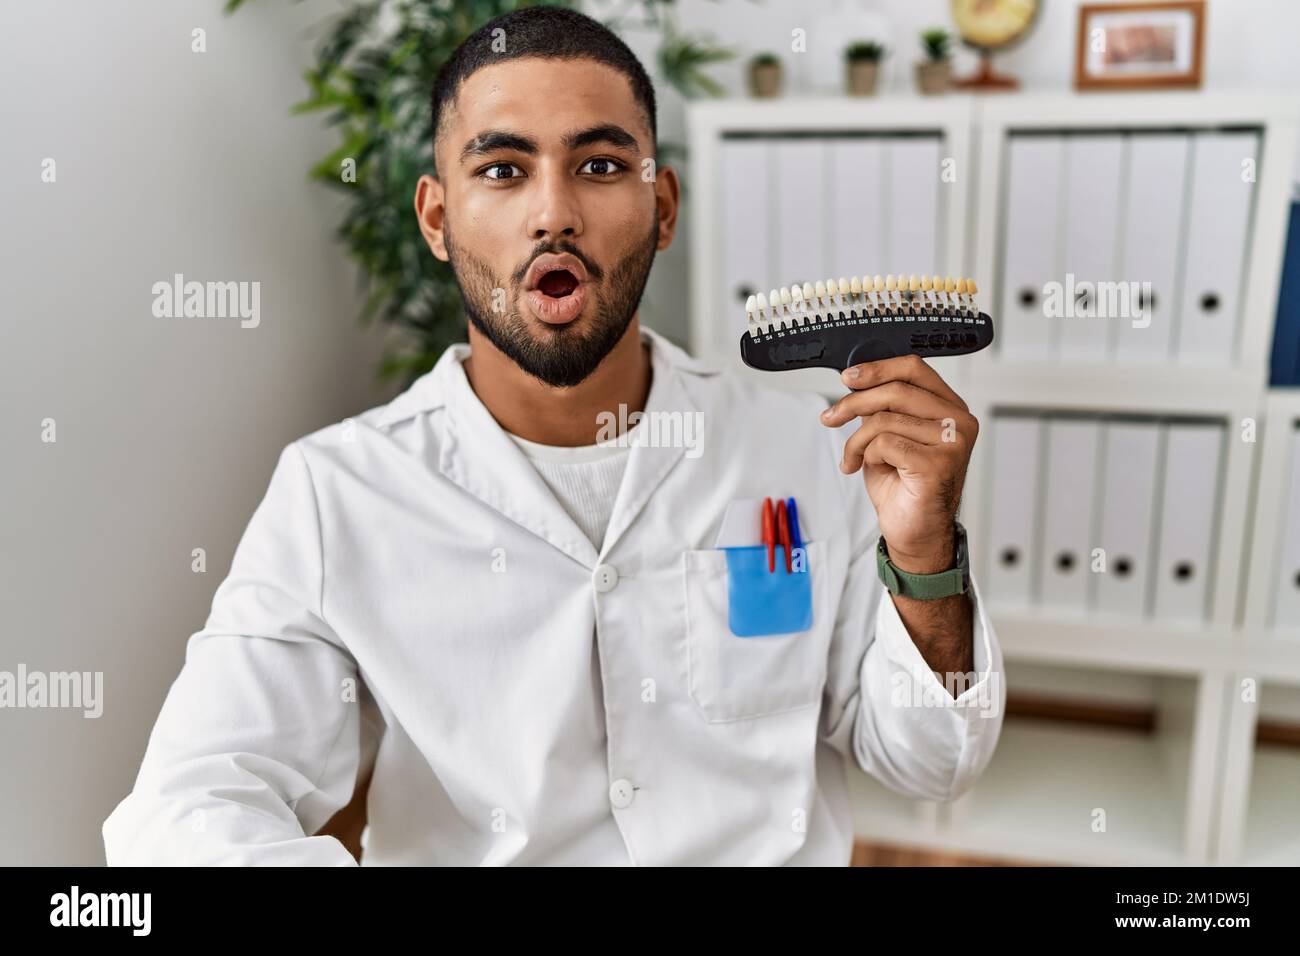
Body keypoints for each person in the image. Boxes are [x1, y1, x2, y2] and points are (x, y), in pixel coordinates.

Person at [104, 6, 1004, 866]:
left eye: (602, 166)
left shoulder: (811, 449)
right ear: (436, 219)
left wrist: (924, 553)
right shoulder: (337, 493)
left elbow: (931, 763)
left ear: (662, 208)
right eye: (502, 170)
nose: (553, 213)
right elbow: (192, 805)